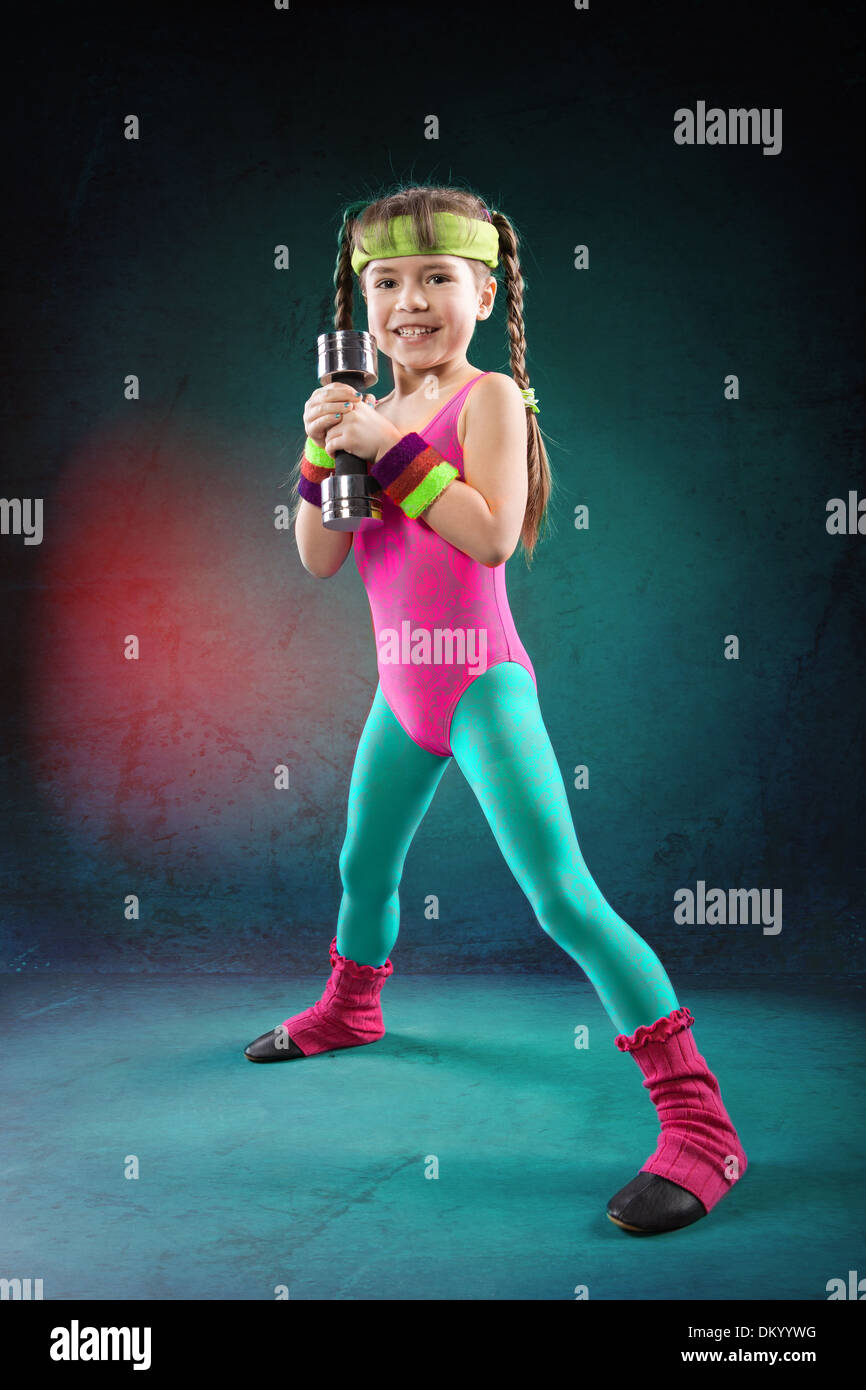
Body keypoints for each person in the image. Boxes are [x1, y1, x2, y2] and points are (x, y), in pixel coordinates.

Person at [245, 184, 748, 1236]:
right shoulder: (363, 408)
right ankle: (351, 1006)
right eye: (387, 281)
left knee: (561, 895)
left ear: (484, 290)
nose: (411, 300)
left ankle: (700, 1125)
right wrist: (320, 449)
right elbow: (319, 559)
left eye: (437, 277)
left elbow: (486, 534)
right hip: (402, 693)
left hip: (478, 684)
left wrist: (385, 444)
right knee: (361, 867)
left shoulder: (488, 401)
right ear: (356, 307)